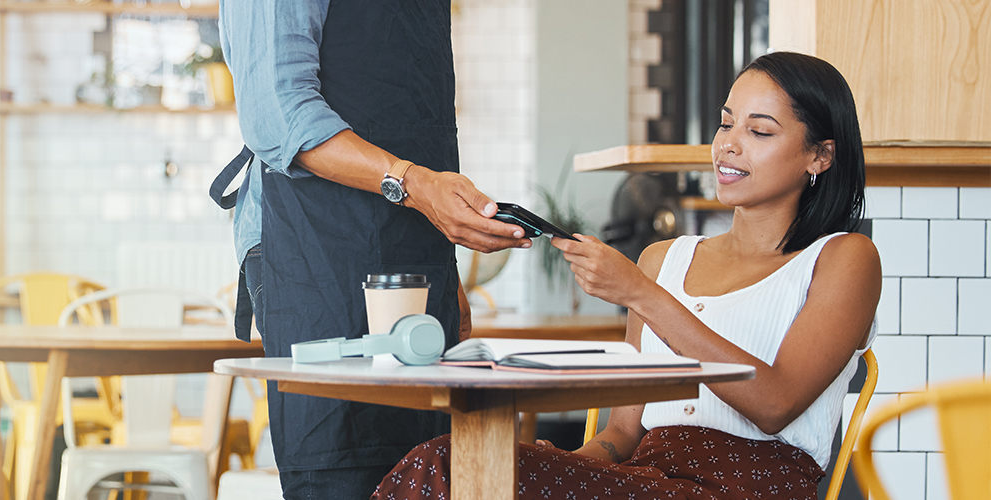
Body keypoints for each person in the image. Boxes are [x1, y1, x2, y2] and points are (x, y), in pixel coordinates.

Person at [372, 51, 881, 499]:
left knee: (442, 466)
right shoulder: (666, 260)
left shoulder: (843, 259)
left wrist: (642, 294)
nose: (729, 144)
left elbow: (775, 404)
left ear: (820, 155)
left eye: (760, 131)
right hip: (644, 480)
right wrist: (554, 466)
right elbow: (621, 436)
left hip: (748, 487)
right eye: (726, 124)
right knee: (458, 464)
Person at [206, 1, 531, 498]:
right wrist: (416, 185)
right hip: (316, 252)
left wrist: (441, 260)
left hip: (413, 251)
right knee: (345, 465)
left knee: (430, 468)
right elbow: (277, 112)